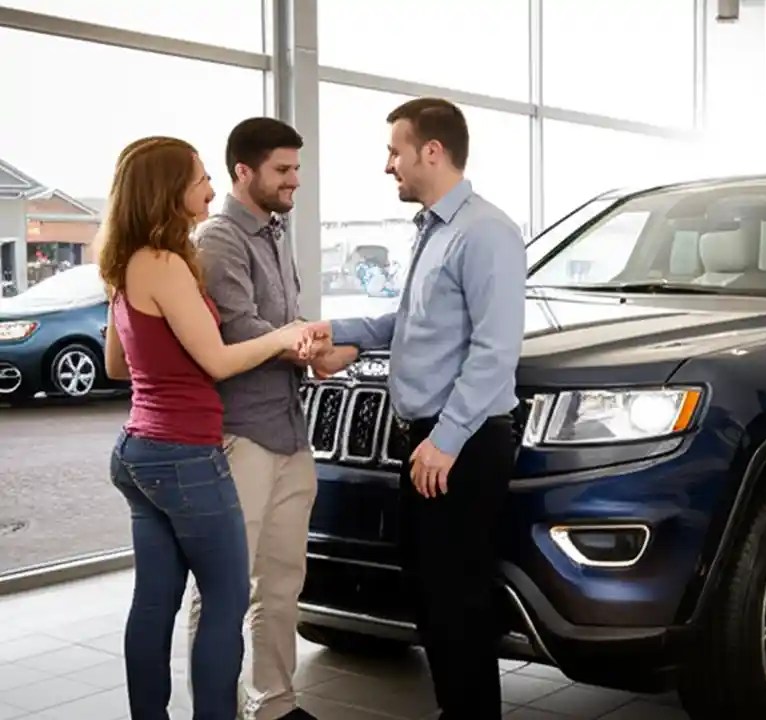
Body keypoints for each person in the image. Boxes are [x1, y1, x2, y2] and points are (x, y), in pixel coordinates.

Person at [303, 97, 526, 719]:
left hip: (462, 444)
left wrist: (447, 439)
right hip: (426, 438)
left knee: (458, 599)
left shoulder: (487, 233)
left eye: (394, 152)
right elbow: (411, 322)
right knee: (431, 593)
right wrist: (342, 335)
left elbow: (495, 350)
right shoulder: (435, 230)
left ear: (432, 151)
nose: (388, 166)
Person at [98, 136, 310, 720]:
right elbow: (218, 360)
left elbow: (118, 365)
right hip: (184, 454)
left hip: (137, 451)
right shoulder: (164, 264)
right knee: (225, 600)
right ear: (170, 191)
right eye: (199, 181)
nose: (211, 190)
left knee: (155, 600)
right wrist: (288, 334)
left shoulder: (124, 263)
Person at [190, 117, 318, 720]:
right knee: (224, 587)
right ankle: (217, 708)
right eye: (284, 170)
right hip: (241, 436)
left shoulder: (275, 232)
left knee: (282, 582)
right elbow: (241, 330)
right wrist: (307, 343)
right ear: (245, 171)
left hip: (290, 433)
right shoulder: (219, 240)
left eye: (296, 167)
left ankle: (276, 705)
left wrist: (309, 344)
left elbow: (286, 325)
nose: (296, 179)